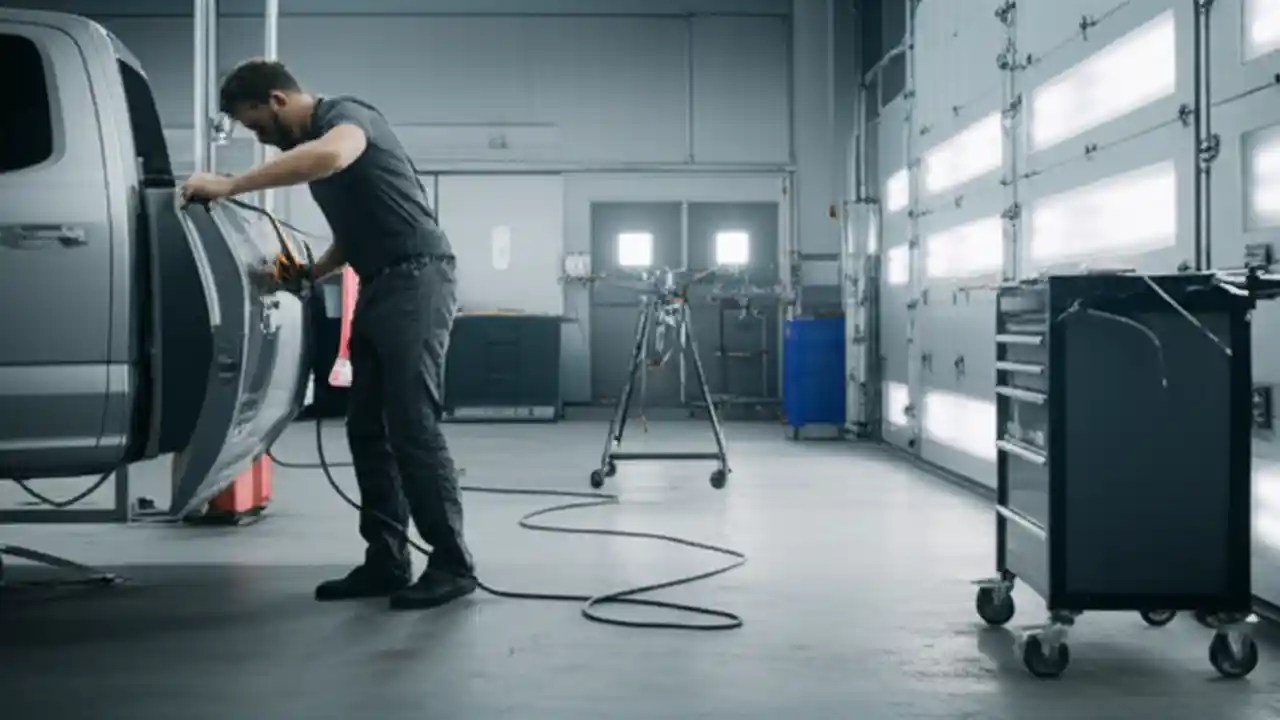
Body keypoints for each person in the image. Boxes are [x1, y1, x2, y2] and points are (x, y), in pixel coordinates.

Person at [181, 59, 476, 610]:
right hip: (381, 282)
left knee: (411, 423)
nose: (263, 141)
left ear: (276, 99)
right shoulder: (317, 147)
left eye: (259, 127)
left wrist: (229, 185)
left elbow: (334, 153)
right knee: (366, 428)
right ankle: (387, 560)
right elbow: (351, 236)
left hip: (418, 277)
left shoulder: (345, 117)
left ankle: (453, 565)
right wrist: (307, 273)